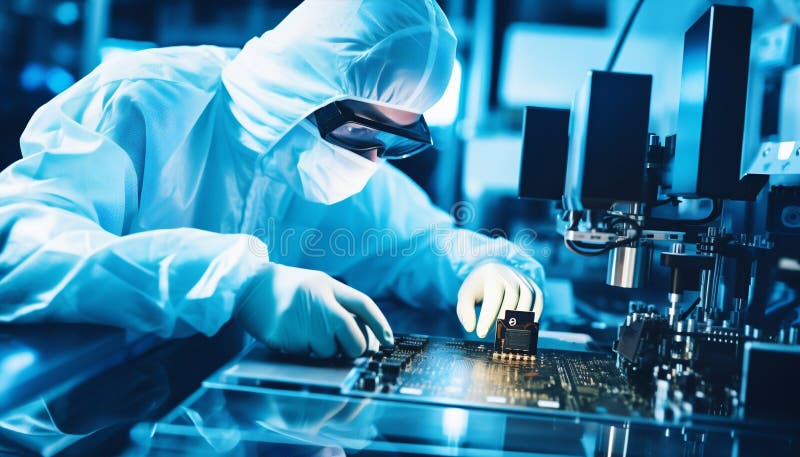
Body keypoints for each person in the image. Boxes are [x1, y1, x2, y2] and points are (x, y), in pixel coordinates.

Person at [0, 0, 544, 358]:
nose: (373, 161)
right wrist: (238, 282)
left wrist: (485, 266)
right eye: (364, 132)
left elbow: (421, 239)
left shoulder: (334, 160)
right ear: (302, 92)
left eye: (393, 143)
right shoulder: (145, 100)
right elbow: (18, 245)